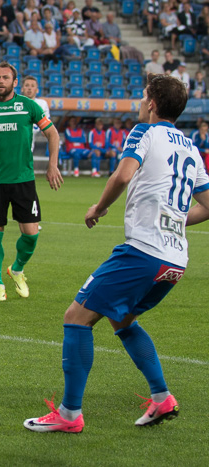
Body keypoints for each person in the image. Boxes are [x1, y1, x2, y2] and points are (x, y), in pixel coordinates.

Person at [25, 75, 209, 433]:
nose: (141, 102)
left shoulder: (144, 131)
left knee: (76, 317)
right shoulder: (190, 147)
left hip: (143, 252)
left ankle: (69, 415)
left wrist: (98, 207)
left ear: (153, 103)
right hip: (175, 261)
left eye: (143, 97)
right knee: (121, 320)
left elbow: (124, 175)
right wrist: (174, 222)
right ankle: (161, 399)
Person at [0, 62, 63, 301]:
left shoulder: (29, 107)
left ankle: (16, 269)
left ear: (15, 83)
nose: (0, 81)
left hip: (23, 181)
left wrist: (52, 164)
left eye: (5, 78)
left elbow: (52, 133)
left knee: (31, 233)